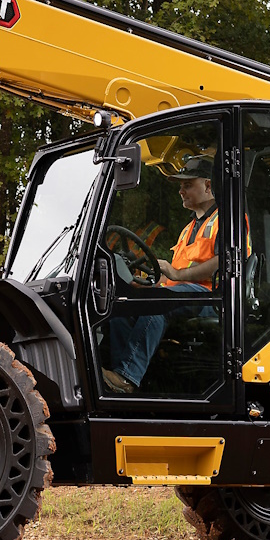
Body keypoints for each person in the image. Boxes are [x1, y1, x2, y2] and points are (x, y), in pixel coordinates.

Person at [102, 155, 219, 394]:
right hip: (183, 293)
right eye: (180, 186)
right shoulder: (188, 229)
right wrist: (149, 285)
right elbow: (174, 274)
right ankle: (118, 380)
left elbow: (222, 263)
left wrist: (174, 274)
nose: (181, 191)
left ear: (208, 185)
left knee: (158, 305)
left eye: (187, 185)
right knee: (122, 307)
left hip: (212, 296)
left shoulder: (227, 221)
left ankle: (127, 377)